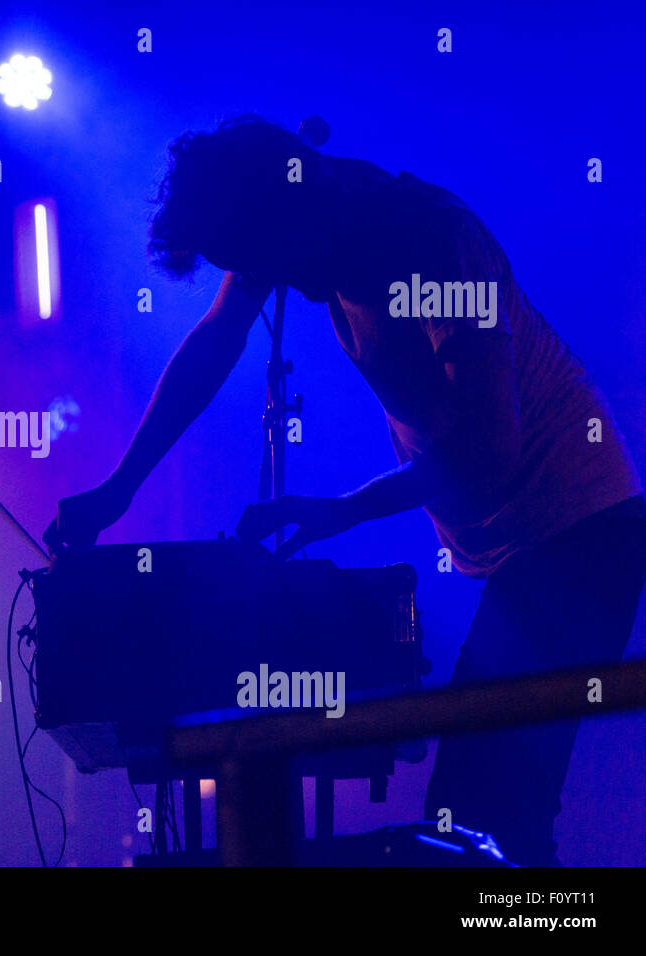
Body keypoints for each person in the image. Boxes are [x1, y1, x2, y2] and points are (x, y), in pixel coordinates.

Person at [43, 114, 646, 866]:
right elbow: (215, 344)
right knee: (490, 816)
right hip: (515, 541)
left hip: (579, 526)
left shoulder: (435, 244)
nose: (278, 282)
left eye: (267, 258)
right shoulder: (293, 221)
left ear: (301, 191)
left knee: (484, 814)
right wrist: (119, 489)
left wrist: (342, 512)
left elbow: (494, 447)